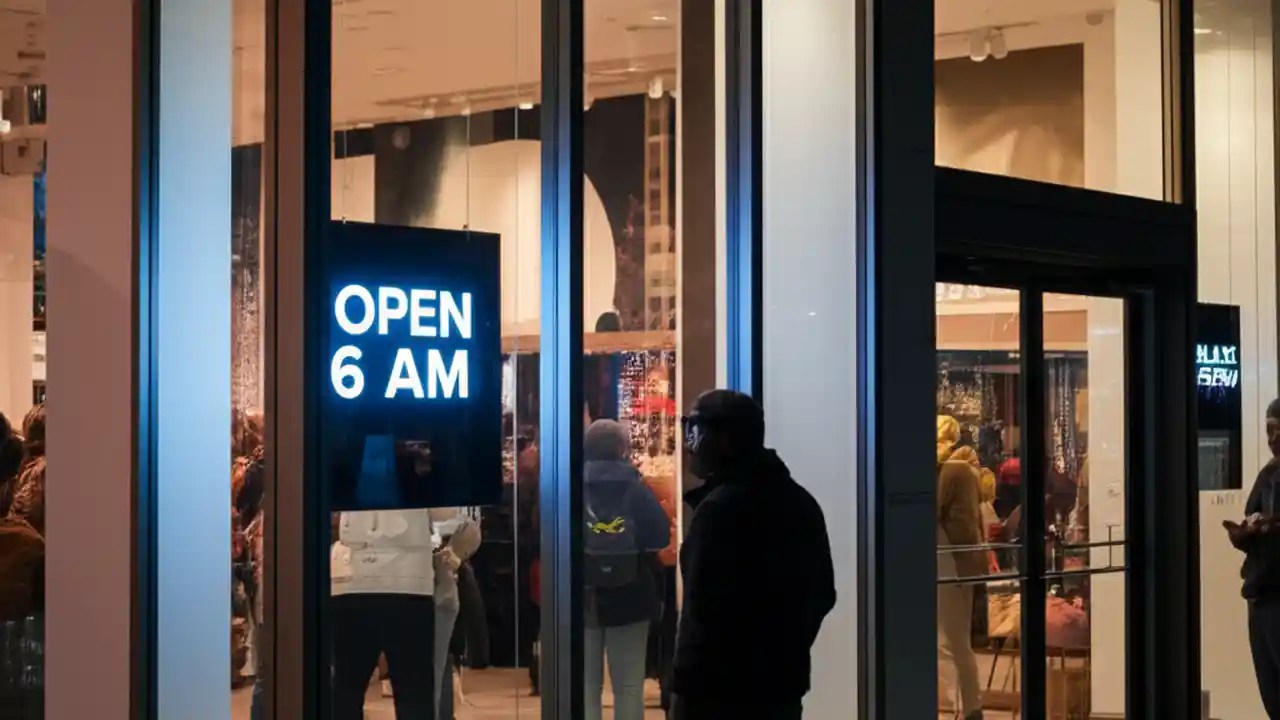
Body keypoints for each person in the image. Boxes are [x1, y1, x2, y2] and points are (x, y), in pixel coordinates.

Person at [671, 390, 835, 719]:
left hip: (719, 698)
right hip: (779, 688)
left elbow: (702, 618)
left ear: (726, 439)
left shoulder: (720, 510)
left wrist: (684, 691)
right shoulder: (800, 502)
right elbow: (823, 595)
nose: (688, 442)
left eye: (693, 428)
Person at [582, 419, 670, 720]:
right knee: (629, 687)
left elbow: (543, 532)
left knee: (585, 686)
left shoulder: (571, 487)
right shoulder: (637, 490)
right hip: (632, 592)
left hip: (583, 593)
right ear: (623, 449)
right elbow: (659, 536)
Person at [330, 508, 438, 720]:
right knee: (414, 694)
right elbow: (446, 511)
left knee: (345, 691)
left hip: (351, 576)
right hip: (409, 580)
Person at [1227, 398, 1280, 718]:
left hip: (1277, 594)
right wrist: (1244, 534)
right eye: (1269, 430)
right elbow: (1252, 521)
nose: (1273, 438)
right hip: (1259, 593)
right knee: (1271, 690)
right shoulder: (1268, 473)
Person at [936, 417, 985, 720]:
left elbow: (961, 525)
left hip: (952, 563)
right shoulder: (956, 470)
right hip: (950, 562)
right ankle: (967, 705)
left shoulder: (955, 471)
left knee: (953, 640)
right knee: (951, 640)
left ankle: (969, 707)